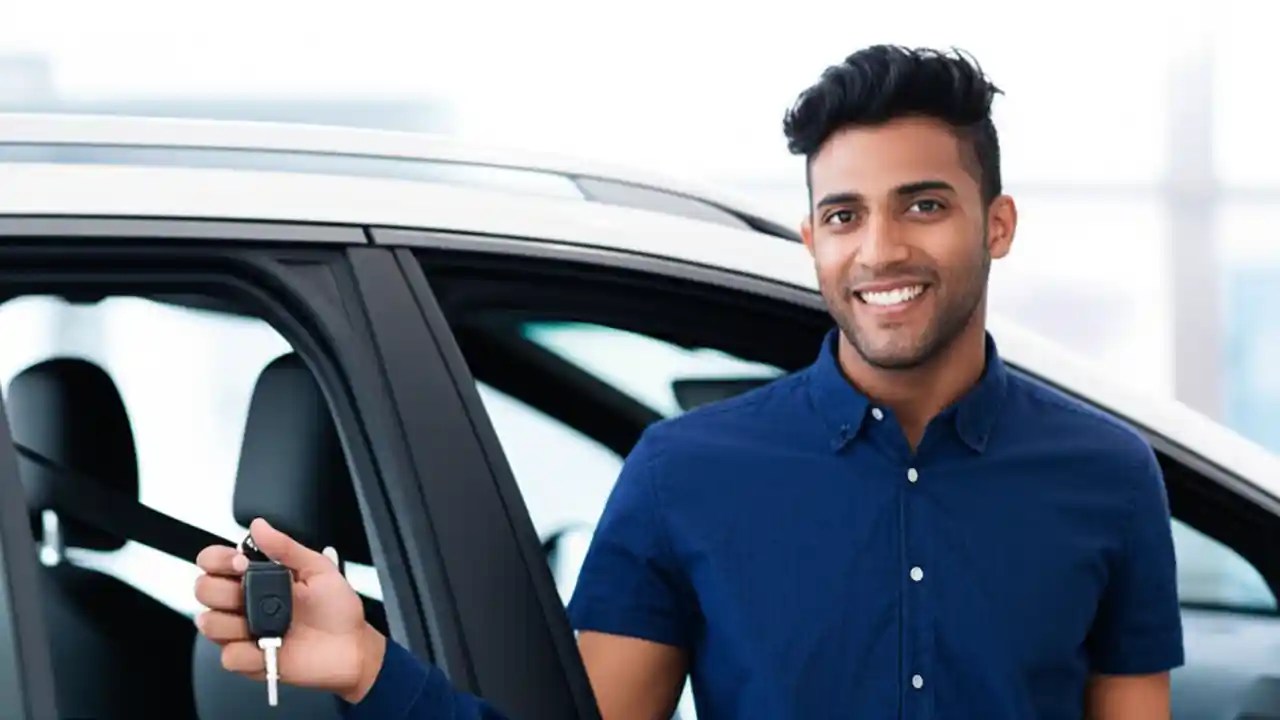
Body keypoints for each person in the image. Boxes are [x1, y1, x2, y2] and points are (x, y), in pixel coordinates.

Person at [194, 44, 1184, 719]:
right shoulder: (686, 475)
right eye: (841, 215)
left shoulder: (1107, 476)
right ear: (809, 240)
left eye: (921, 205)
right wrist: (368, 666)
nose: (878, 249)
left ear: (994, 224)